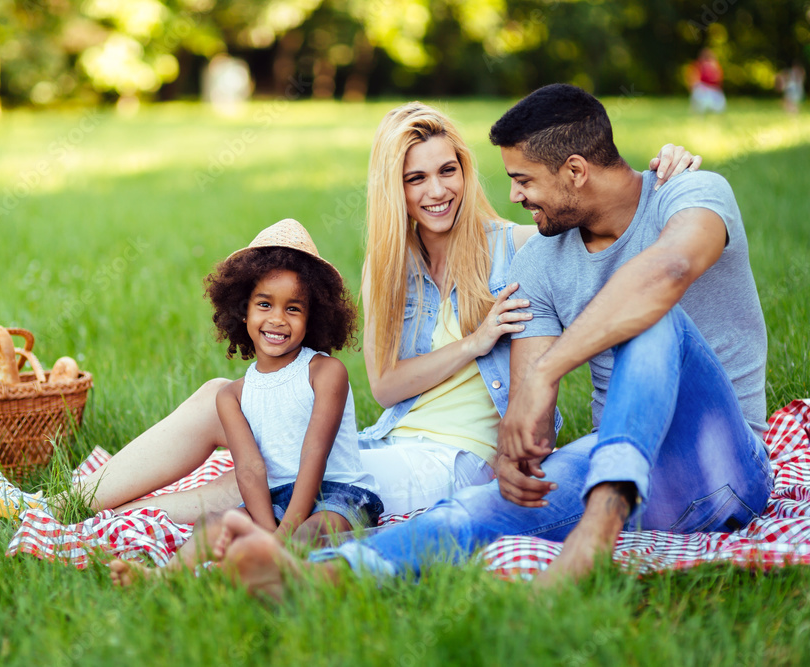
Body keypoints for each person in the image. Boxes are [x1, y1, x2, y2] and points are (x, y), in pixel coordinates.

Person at [0, 104, 699, 528]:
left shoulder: (518, 249)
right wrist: (473, 341)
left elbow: (610, 228)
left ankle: (65, 513)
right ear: (394, 190)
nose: (436, 190)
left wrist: (662, 172)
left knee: (267, 471)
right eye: (415, 178)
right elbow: (386, 385)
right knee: (231, 409)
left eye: (448, 170)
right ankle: (58, 507)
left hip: (459, 462)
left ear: (467, 171)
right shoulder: (392, 269)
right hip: (393, 435)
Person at [213, 84, 771, 597]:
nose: (512, 196)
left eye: (524, 180)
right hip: (620, 467)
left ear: (575, 170)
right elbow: (526, 404)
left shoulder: (691, 192)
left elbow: (668, 271)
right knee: (475, 508)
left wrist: (553, 369)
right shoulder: (542, 261)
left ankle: (597, 531)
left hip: (725, 463)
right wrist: (514, 456)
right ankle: (320, 578)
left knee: (658, 317)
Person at [106, 219, 383, 584]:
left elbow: (314, 456)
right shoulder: (232, 396)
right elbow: (250, 468)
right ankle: (164, 577)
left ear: (312, 316)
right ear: (243, 310)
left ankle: (272, 565)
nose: (277, 320)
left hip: (340, 496)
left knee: (313, 530)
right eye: (265, 304)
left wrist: (281, 538)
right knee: (212, 524)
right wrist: (266, 528)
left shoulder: (325, 373)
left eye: (293, 309)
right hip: (272, 498)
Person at [689, 48, 726, 114]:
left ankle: (699, 111)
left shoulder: (700, 65)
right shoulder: (715, 65)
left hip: (708, 91)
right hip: (712, 92)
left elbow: (693, 82)